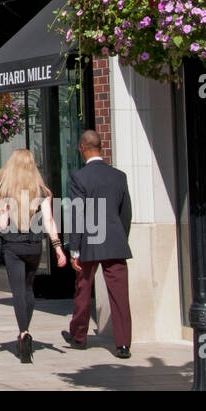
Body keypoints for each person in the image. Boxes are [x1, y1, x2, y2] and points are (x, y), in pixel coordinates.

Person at [62, 129, 134, 358]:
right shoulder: (119, 176)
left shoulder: (79, 178)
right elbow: (126, 213)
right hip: (114, 240)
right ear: (100, 147)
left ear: (83, 148)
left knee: (83, 289)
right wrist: (121, 236)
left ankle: (80, 336)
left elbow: (77, 215)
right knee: (120, 294)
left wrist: (74, 248)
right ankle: (123, 344)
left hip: (89, 241)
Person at [0, 150, 66, 363]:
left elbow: (3, 225)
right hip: (33, 247)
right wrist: (58, 248)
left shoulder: (4, 190)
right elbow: (50, 221)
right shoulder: (41, 191)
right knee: (29, 289)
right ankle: (26, 329)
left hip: (12, 247)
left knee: (18, 291)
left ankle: (23, 333)